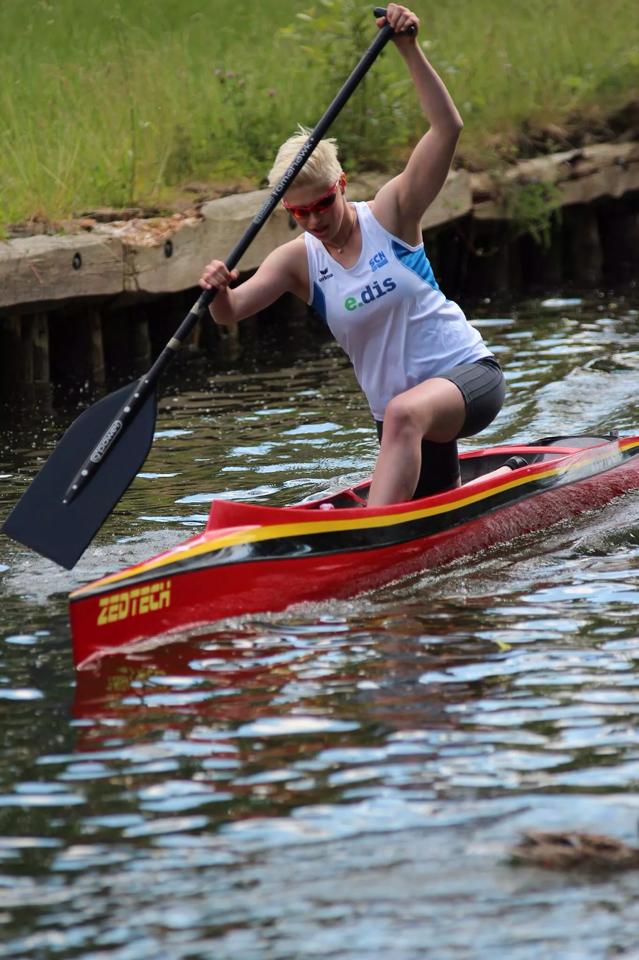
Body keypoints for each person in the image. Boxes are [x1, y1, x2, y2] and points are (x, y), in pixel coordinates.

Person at [200, 3, 505, 507]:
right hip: (398, 424)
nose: (315, 220)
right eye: (300, 213)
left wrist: (409, 49)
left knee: (406, 413)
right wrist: (216, 288)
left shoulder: (391, 215)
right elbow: (229, 314)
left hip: (466, 378)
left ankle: (373, 537)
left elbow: (447, 129)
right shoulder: (296, 262)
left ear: (341, 184)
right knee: (411, 443)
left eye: (324, 203)